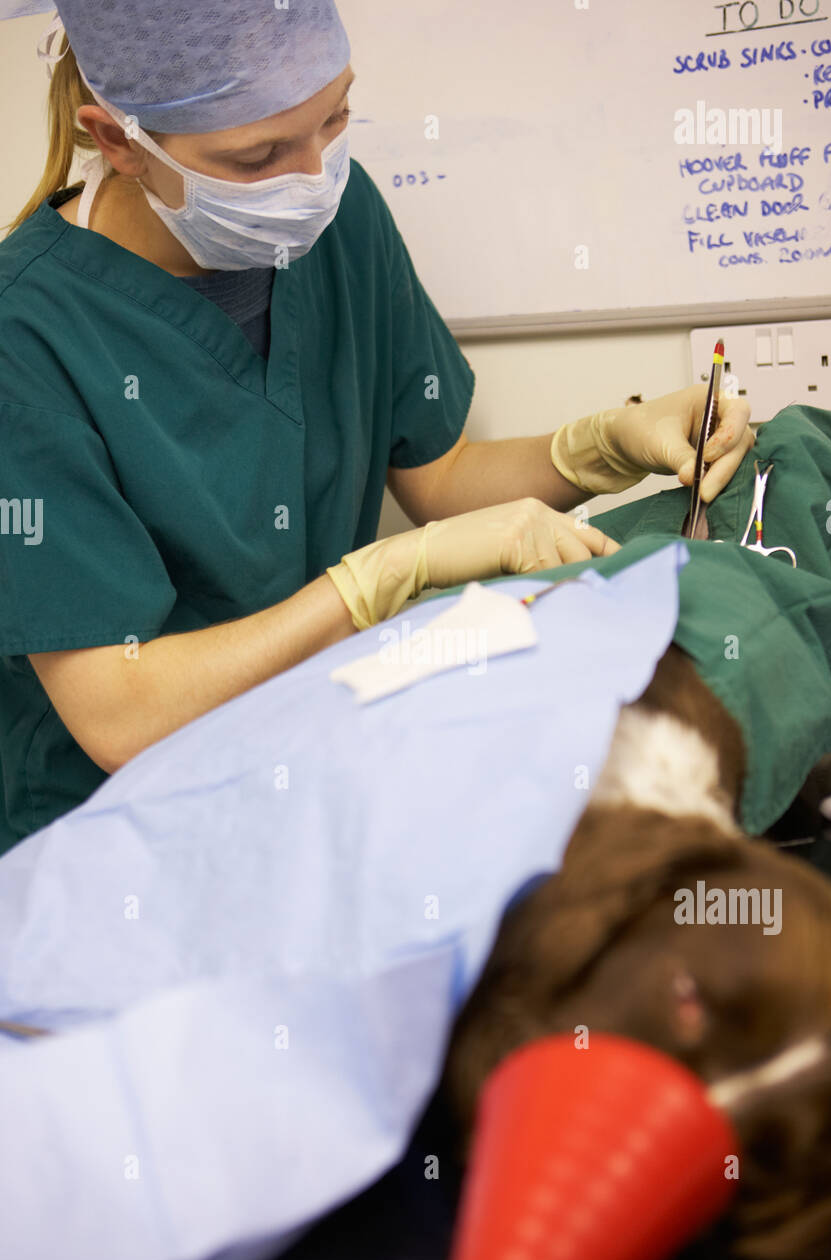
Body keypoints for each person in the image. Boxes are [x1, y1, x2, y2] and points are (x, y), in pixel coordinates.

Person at [0, 1, 754, 853]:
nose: (312, 177)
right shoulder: (24, 339)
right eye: (258, 157)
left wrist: (604, 445)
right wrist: (379, 579)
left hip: (312, 769)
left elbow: (439, 474)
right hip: (107, 839)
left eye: (337, 117)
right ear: (118, 141)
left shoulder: (338, 216)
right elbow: (122, 714)